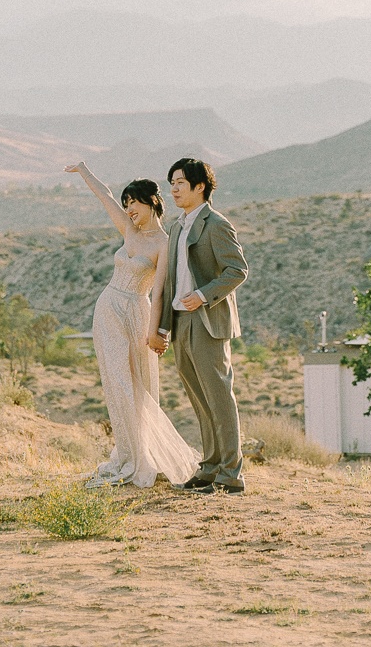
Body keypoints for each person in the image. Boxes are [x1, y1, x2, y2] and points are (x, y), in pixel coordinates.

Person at [64, 162, 198, 488]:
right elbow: (104, 196)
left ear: (151, 201)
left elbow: (162, 290)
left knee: (137, 384)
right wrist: (84, 170)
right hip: (108, 310)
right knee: (117, 384)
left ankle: (144, 455)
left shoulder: (164, 244)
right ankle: (127, 452)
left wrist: (156, 333)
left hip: (138, 312)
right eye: (126, 205)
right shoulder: (128, 231)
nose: (128, 209)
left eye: (133, 203)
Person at [148, 157, 248, 495]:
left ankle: (231, 475)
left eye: (179, 183)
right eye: (171, 183)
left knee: (219, 397)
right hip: (180, 323)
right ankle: (208, 469)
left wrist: (204, 295)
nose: (173, 189)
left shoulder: (217, 224)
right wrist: (162, 327)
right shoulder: (177, 227)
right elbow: (168, 283)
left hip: (208, 320)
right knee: (199, 399)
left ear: (199, 186)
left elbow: (237, 270)